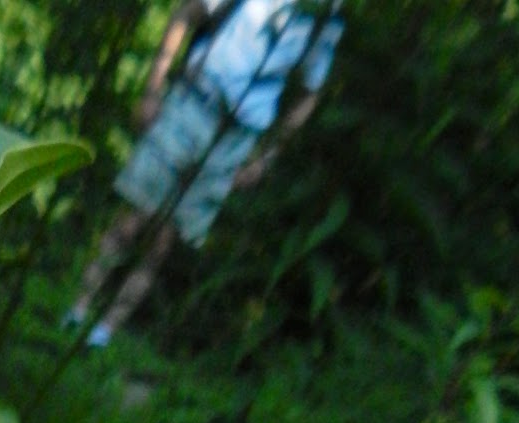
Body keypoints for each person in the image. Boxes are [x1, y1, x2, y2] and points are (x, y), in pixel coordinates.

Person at [70, 0, 343, 345]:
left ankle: (104, 331)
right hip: (191, 103)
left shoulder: (325, 14)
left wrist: (266, 156)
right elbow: (186, 12)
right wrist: (154, 88)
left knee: (163, 239)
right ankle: (76, 310)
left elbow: (310, 92)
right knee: (131, 219)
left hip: (237, 136)